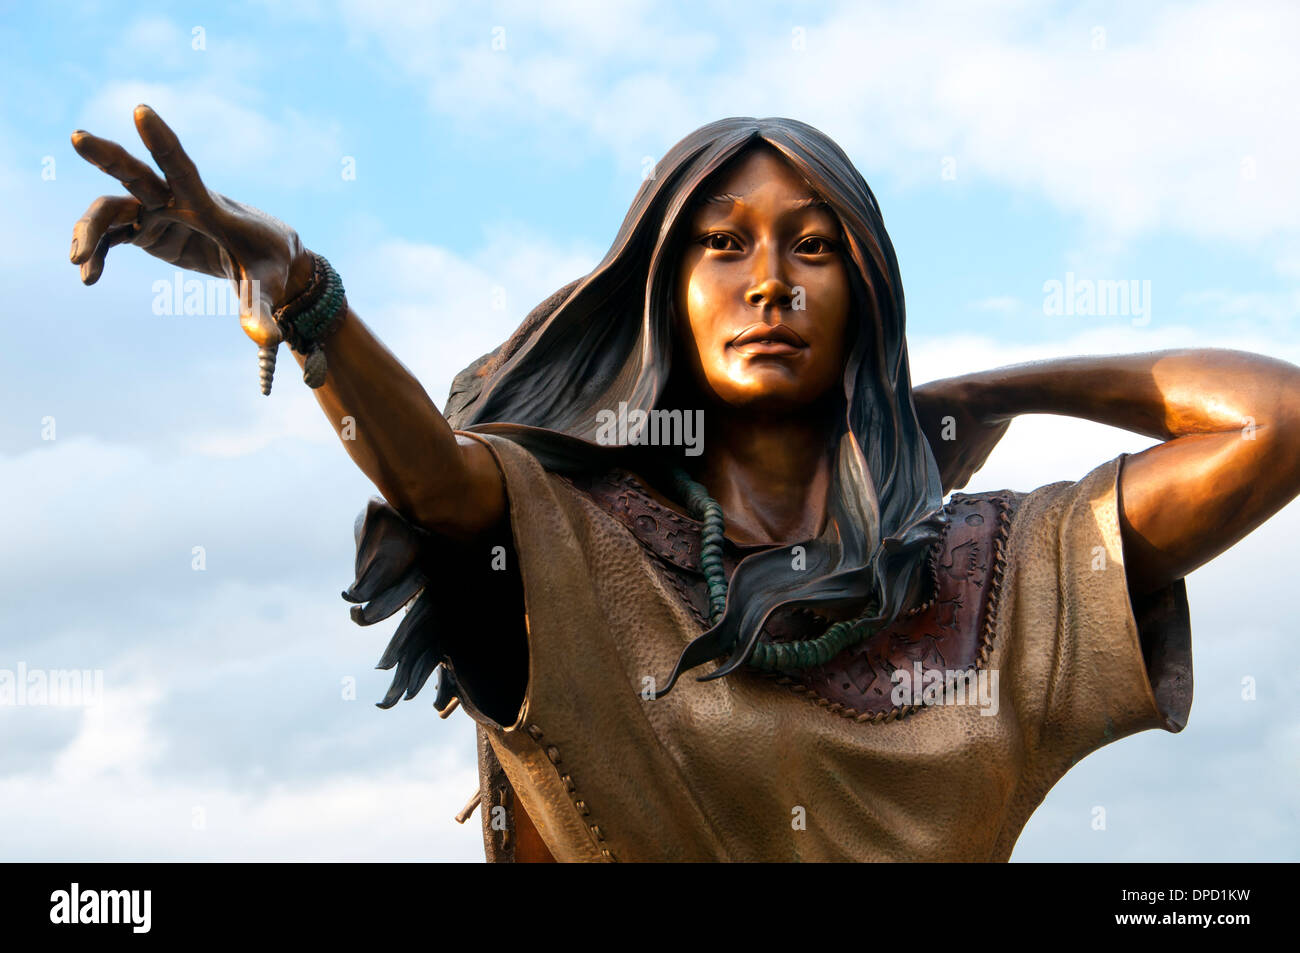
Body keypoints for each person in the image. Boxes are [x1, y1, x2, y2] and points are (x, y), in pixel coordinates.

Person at [69, 109, 1300, 862]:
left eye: (814, 246)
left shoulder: (994, 570)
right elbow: (435, 484)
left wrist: (988, 392)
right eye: (724, 242)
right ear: (667, 287)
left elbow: (1275, 421)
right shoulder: (572, 538)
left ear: (863, 294)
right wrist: (301, 289)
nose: (770, 278)